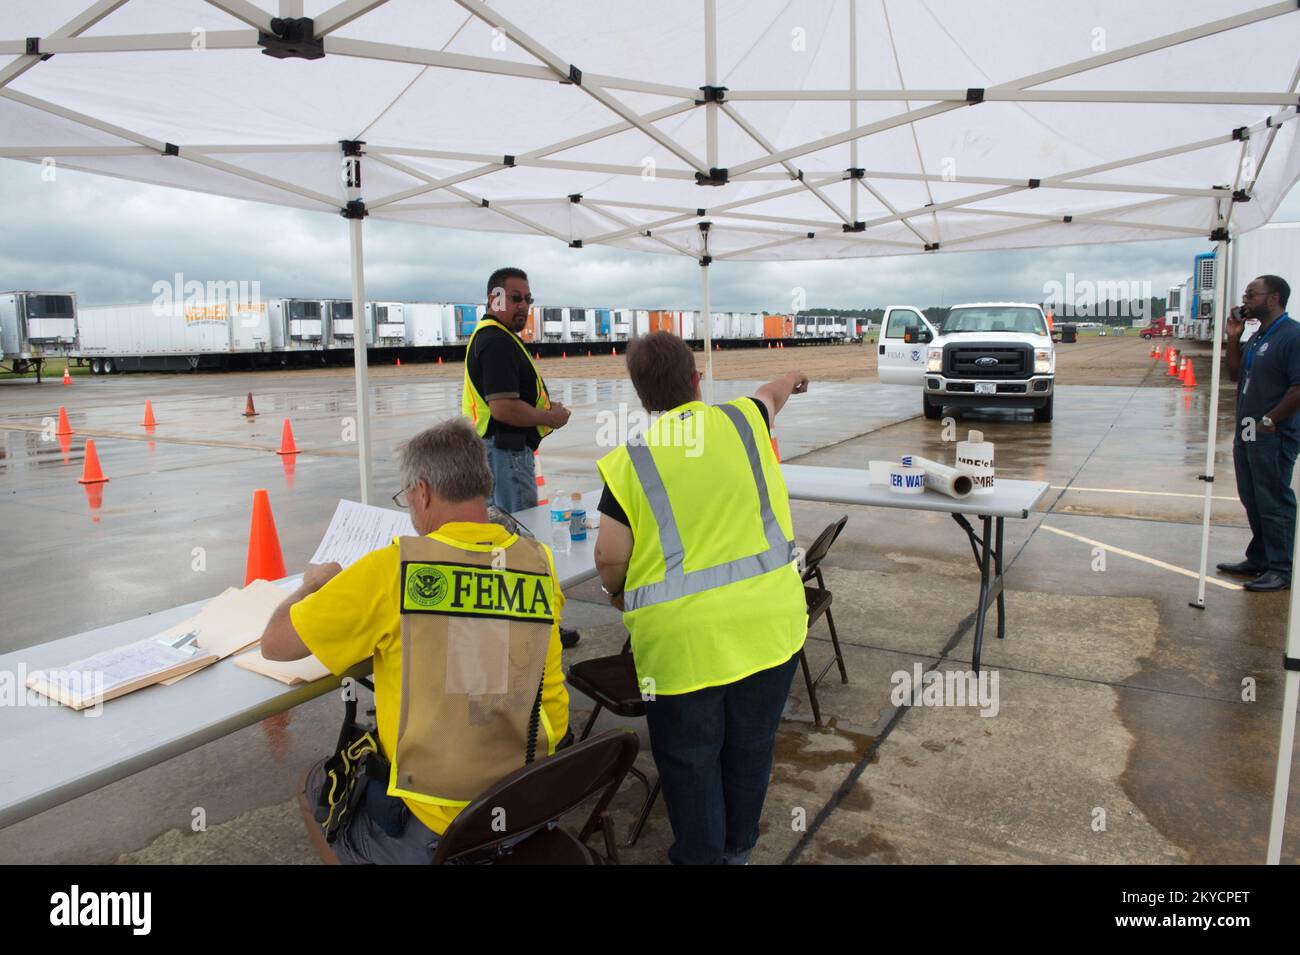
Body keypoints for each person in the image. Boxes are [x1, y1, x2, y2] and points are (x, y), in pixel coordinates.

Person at [260, 419, 570, 864]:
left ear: (422, 493)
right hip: (529, 794)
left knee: (315, 789)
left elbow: (276, 644)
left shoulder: (392, 571)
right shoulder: (537, 562)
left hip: (444, 824)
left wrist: (310, 586)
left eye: (408, 497)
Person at [593, 332, 810, 865]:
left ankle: (702, 857)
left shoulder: (630, 461)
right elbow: (771, 392)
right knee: (751, 747)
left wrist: (616, 595)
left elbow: (608, 558)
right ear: (696, 379)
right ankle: (737, 850)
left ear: (642, 395)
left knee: (691, 762)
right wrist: (792, 379)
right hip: (770, 629)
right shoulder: (743, 420)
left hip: (682, 649)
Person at [462, 267, 571, 514]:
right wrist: (550, 417)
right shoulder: (496, 341)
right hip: (506, 455)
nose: (524, 305)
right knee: (520, 529)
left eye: (528, 299)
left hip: (496, 453)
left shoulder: (496, 336)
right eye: (515, 298)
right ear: (494, 299)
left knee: (501, 531)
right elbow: (503, 408)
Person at [1218, 274, 1300, 592]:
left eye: (1252, 294)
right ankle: (1260, 557)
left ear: (1273, 298)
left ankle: (1281, 567)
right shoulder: (1259, 336)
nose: (1246, 299)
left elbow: (1298, 388)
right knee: (1251, 495)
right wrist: (1234, 337)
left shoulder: (1291, 336)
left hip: (1272, 431)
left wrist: (1270, 420)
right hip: (1249, 428)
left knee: (1273, 499)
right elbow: (1235, 374)